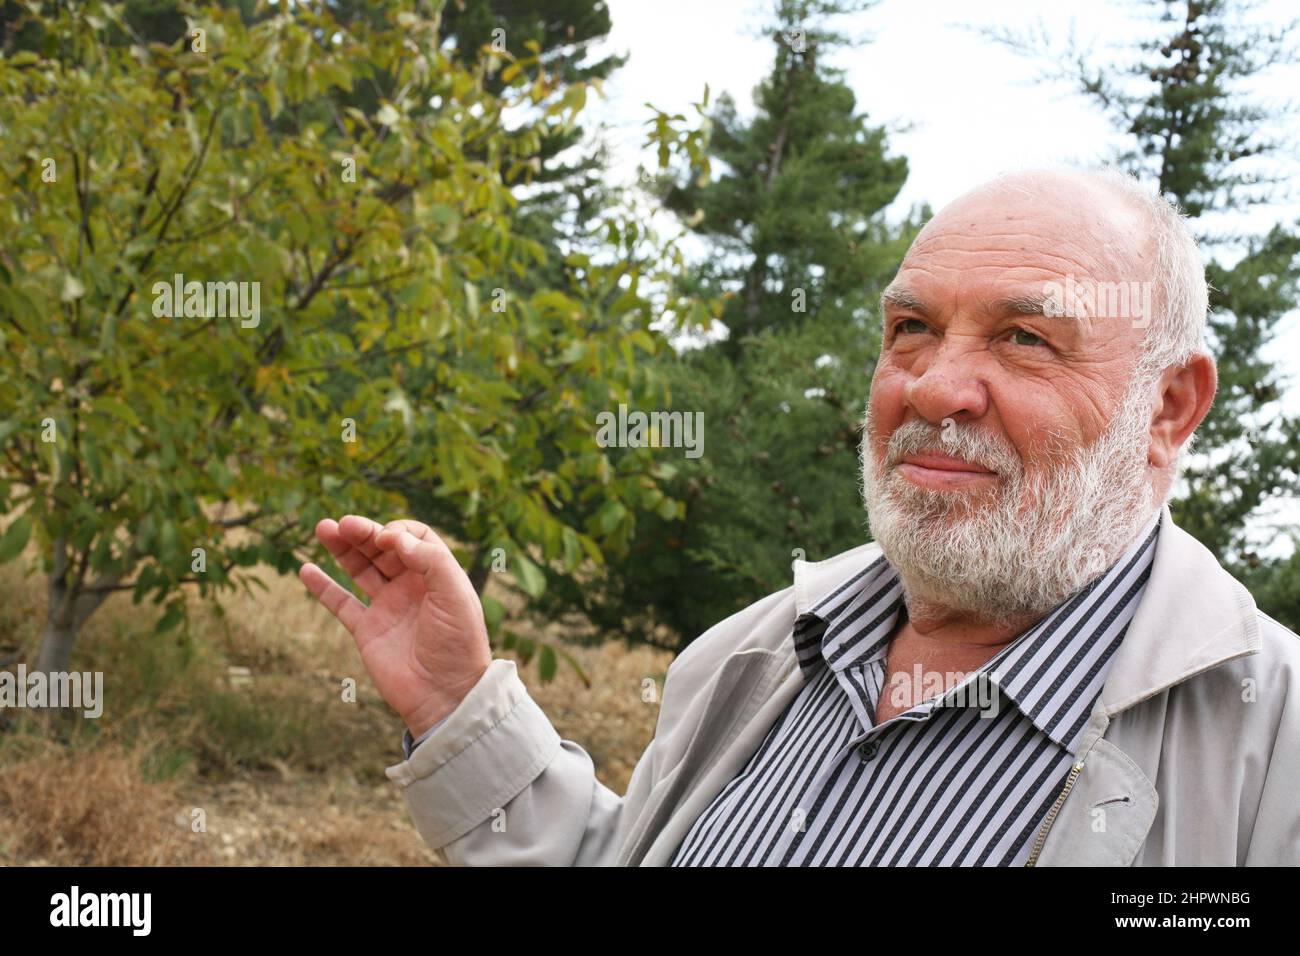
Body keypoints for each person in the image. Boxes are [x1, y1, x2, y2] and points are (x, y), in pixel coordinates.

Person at [299, 167, 1300, 866]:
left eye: (1025, 337)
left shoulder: (1273, 750)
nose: (936, 387)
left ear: (1168, 406)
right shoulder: (756, 652)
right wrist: (459, 702)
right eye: (911, 328)